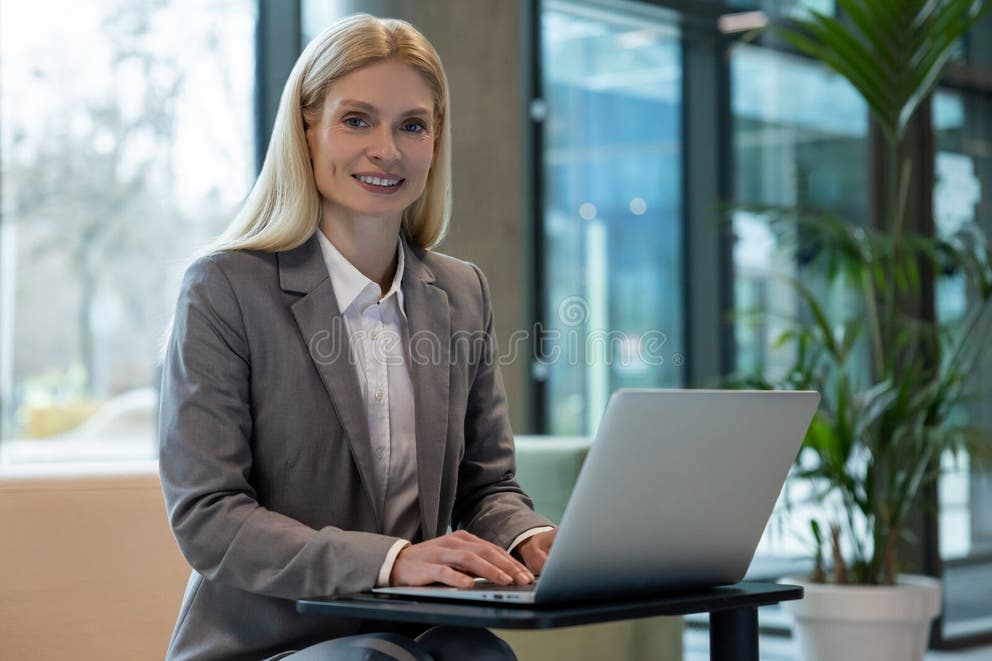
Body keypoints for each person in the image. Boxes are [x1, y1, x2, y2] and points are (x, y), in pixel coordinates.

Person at [158, 13, 557, 661]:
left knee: (481, 653)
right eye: (356, 120)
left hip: (413, 637)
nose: (388, 150)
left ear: (436, 140)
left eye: (412, 125)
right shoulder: (225, 287)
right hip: (268, 644)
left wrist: (528, 537)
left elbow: (485, 486)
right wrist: (393, 559)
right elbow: (210, 515)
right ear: (306, 130)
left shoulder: (459, 292)